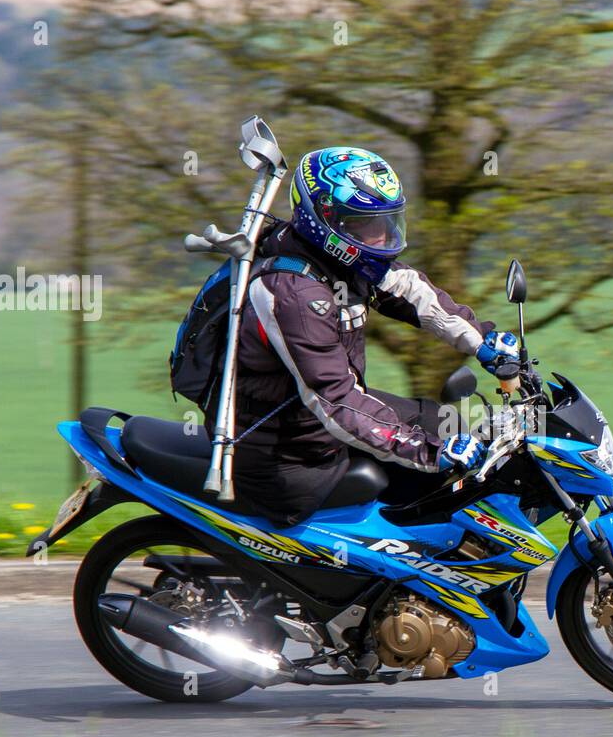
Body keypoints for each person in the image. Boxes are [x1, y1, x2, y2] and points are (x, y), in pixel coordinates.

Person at [214, 146, 520, 527]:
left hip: (310, 422)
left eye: (387, 222)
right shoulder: (292, 292)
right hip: (288, 454)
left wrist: (482, 341)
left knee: (443, 422)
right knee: (439, 481)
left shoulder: (339, 257)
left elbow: (408, 290)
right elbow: (336, 402)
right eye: (366, 225)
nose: (382, 236)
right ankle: (390, 582)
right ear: (324, 221)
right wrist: (429, 453)